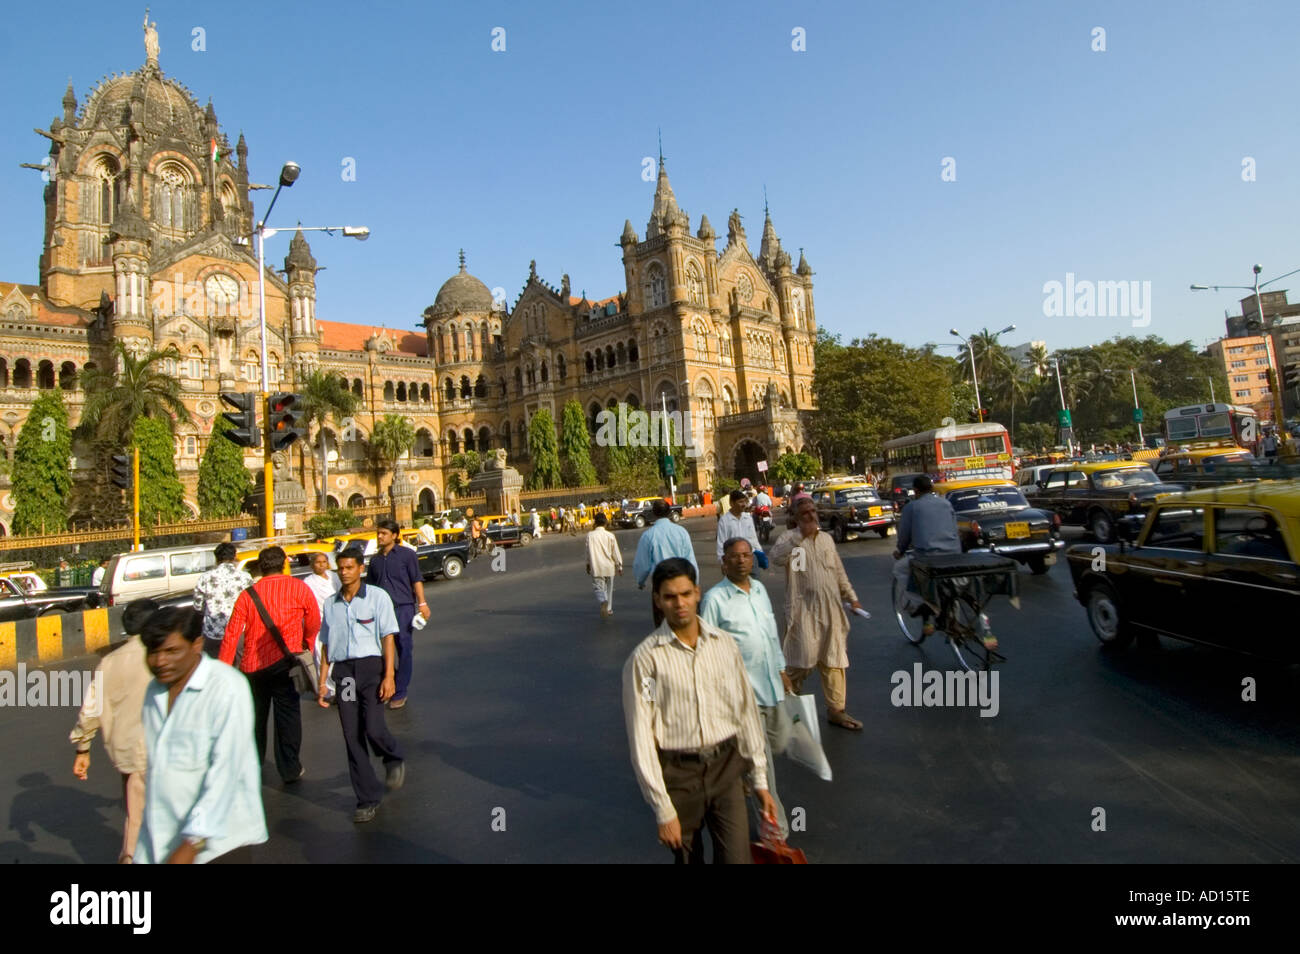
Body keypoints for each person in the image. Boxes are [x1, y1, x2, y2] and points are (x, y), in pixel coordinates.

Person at [622, 558, 777, 864]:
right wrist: (663, 809)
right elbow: (642, 737)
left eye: (685, 594)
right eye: (669, 597)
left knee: (737, 858)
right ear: (657, 600)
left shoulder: (723, 646)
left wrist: (759, 779)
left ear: (697, 593)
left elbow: (744, 714)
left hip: (726, 770)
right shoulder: (645, 662)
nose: (679, 604)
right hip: (679, 777)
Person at [137, 606, 267, 864]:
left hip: (218, 846)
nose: (161, 661)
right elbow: (156, 777)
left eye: (171, 651)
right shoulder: (154, 692)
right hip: (168, 844)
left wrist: (193, 842)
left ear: (197, 644)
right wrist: (140, 852)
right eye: (154, 652)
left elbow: (226, 772)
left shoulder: (226, 687)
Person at [700, 538, 792, 841]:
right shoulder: (714, 600)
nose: (741, 561)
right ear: (723, 562)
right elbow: (707, 652)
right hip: (742, 696)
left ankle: (740, 770)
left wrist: (781, 668)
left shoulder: (761, 591)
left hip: (771, 686)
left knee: (780, 742)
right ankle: (775, 833)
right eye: (734, 557)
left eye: (746, 555)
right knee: (763, 764)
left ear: (752, 559)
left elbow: (770, 633)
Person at [317, 547, 405, 823]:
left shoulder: (377, 598)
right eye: (340, 568)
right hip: (344, 673)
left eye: (349, 568)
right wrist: (322, 682)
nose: (344, 572)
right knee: (352, 735)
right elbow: (326, 645)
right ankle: (366, 798)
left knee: (374, 728)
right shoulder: (331, 604)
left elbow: (388, 637)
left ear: (360, 569)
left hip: (371, 669)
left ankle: (392, 757)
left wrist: (389, 675)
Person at [219, 546, 321, 784]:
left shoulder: (248, 595)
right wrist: (305, 642)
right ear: (285, 564)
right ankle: (290, 768)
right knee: (288, 717)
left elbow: (231, 635)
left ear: (260, 567)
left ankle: (252, 764)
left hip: (253, 667)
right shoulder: (299, 588)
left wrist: (223, 670)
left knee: (255, 718)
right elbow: (313, 620)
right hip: (286, 663)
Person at [69, 598, 158, 863]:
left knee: (135, 812)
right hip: (158, 750)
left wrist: (82, 748)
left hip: (125, 752)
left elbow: (90, 710)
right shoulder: (164, 654)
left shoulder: (108, 662)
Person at [768, 496, 866, 731]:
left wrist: (852, 598)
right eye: (804, 513)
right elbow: (775, 558)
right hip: (803, 613)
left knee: (834, 661)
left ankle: (836, 710)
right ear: (794, 517)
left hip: (831, 610)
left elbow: (839, 573)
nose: (811, 516)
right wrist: (799, 536)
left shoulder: (826, 540)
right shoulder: (789, 539)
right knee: (799, 663)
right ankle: (784, 709)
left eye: (812, 511)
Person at [891, 474, 974, 639]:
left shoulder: (912, 508)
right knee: (951, 585)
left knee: (899, 569)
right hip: (953, 555)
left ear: (915, 490)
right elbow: (953, 529)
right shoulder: (946, 503)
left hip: (927, 557)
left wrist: (900, 551)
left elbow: (905, 536)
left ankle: (917, 605)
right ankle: (952, 621)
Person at [367, 519, 430, 709]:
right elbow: (370, 588)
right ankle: (389, 683)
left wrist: (423, 603)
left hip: (403, 608)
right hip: (381, 612)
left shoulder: (407, 555)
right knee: (381, 651)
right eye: (378, 533)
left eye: (384, 533)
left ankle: (400, 691)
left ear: (394, 536)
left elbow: (416, 580)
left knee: (404, 648)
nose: (380, 536)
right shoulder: (375, 561)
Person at [633, 498, 699, 626]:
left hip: (662, 588)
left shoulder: (648, 536)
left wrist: (640, 581)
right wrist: (694, 584)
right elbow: (691, 559)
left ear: (654, 513)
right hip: (684, 584)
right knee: (685, 623)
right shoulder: (681, 532)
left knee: (664, 627)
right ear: (669, 512)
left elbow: (642, 564)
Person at [193, 542, 253, 658]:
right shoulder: (245, 577)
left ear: (216, 559)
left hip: (213, 634)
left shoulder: (205, 578)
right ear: (234, 557)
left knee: (216, 668)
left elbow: (198, 606)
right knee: (239, 669)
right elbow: (252, 604)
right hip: (239, 632)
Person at [303, 552, 340, 702]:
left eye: (324, 562)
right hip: (320, 623)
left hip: (338, 620)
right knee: (322, 656)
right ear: (313, 564)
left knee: (339, 657)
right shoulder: (308, 582)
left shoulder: (334, 576)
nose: (321, 565)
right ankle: (328, 690)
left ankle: (344, 691)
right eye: (318, 562)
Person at [585, 511, 624, 618]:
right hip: (609, 567)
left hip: (596, 566)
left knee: (598, 588)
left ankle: (603, 601)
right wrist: (619, 566)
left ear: (595, 523)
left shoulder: (590, 535)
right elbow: (615, 552)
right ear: (605, 523)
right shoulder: (610, 535)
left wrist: (588, 564)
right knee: (609, 588)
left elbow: (587, 552)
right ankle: (609, 608)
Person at [715, 489, 764, 566]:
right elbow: (721, 543)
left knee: (754, 578)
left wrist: (761, 554)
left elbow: (753, 539)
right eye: (740, 502)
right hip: (734, 562)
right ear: (732, 503)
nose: (744, 504)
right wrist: (723, 563)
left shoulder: (748, 518)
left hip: (750, 559)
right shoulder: (724, 521)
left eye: (744, 501)